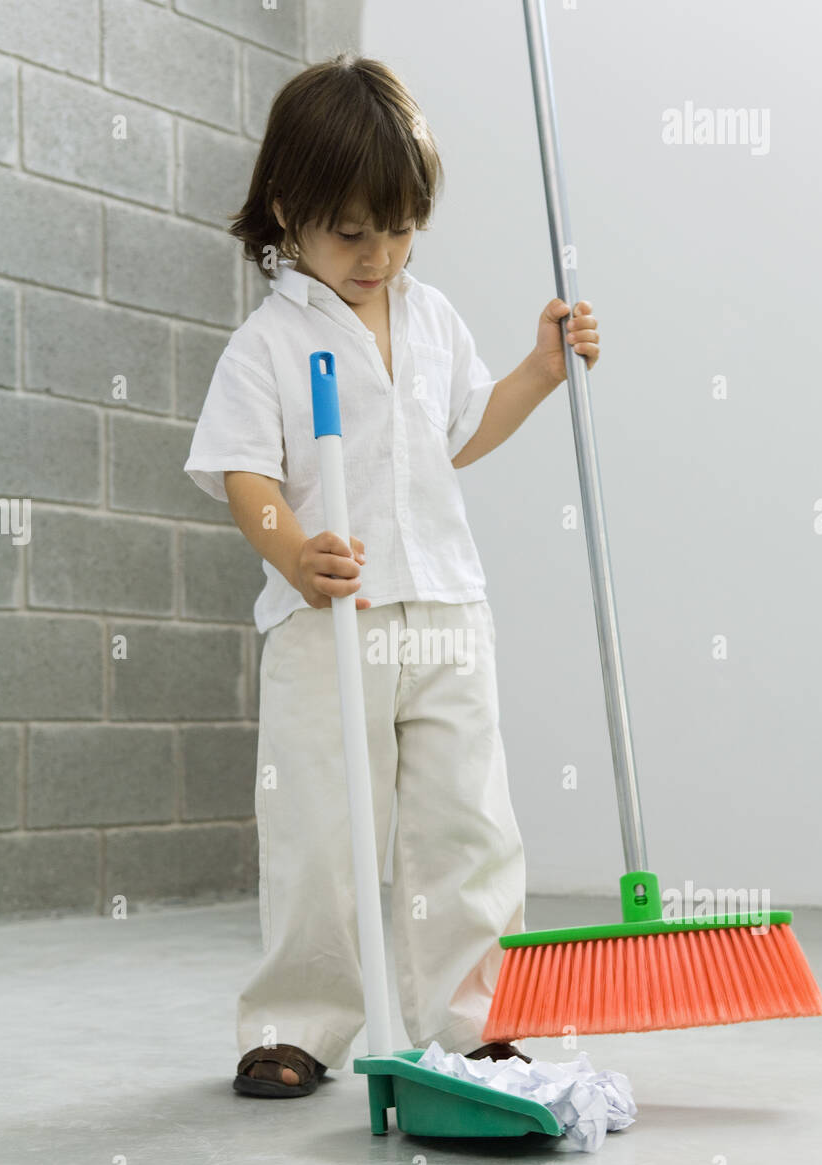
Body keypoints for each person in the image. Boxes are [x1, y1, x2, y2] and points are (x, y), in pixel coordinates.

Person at [183, 54, 600, 1098]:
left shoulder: (431, 318)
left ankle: (475, 1022)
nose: (379, 255)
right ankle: (298, 1024)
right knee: (321, 828)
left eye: (400, 227)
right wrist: (292, 547)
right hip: (331, 623)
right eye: (351, 231)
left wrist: (539, 373)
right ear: (288, 209)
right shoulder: (269, 344)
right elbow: (245, 473)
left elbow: (459, 434)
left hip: (447, 607)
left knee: (470, 822)